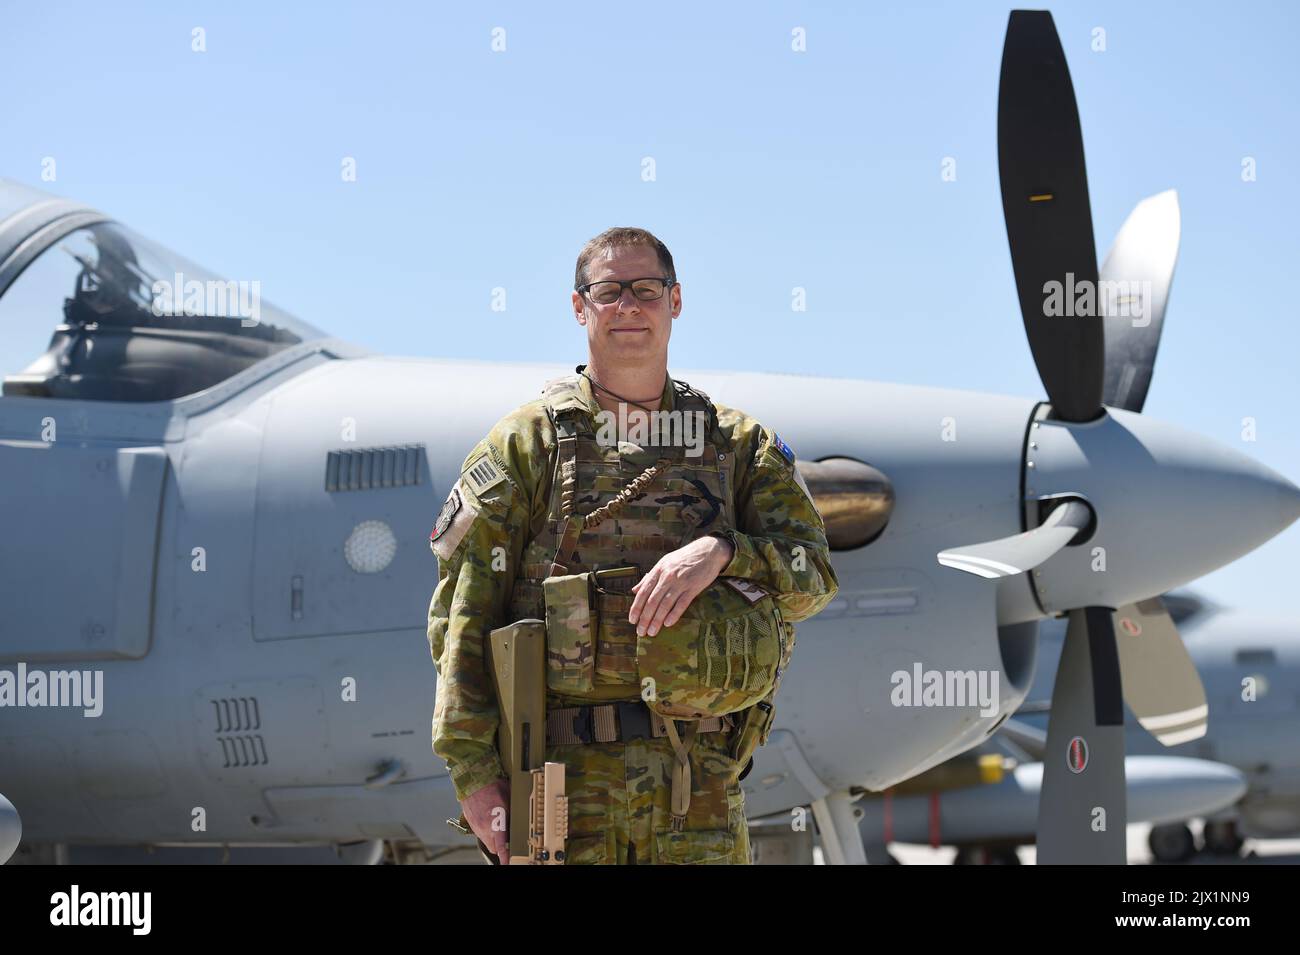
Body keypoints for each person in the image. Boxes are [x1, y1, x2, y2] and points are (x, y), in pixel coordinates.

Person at [427, 226, 838, 864]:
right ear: (579, 306)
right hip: (560, 787)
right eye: (608, 291)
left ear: (675, 301)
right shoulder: (527, 446)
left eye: (646, 290)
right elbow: (464, 616)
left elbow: (813, 580)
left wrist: (724, 552)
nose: (628, 306)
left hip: (697, 787)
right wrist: (475, 777)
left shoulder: (736, 446)